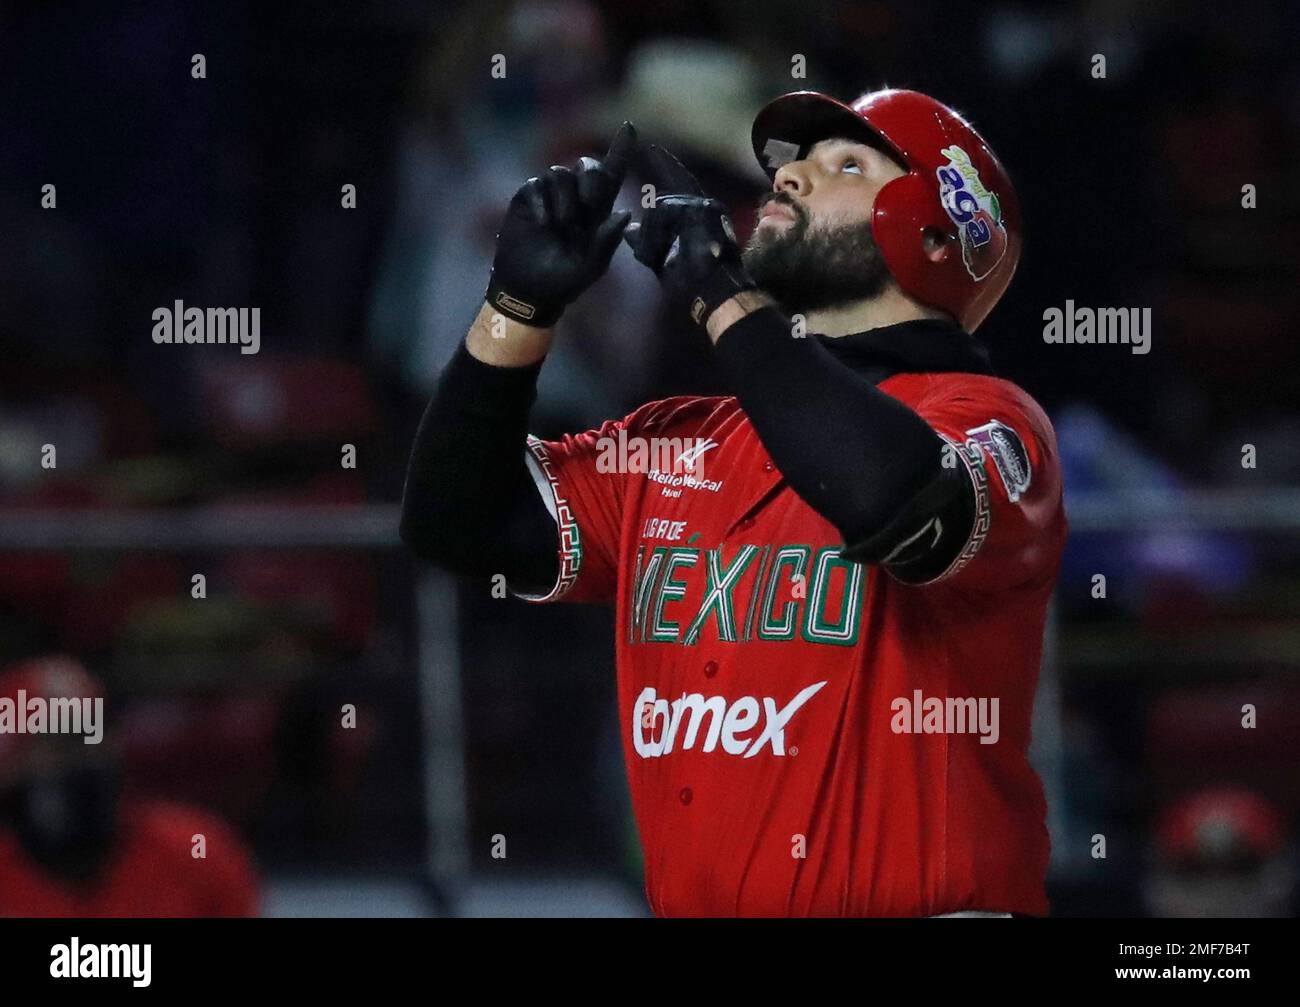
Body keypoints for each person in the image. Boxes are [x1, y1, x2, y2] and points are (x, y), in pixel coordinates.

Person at [401, 88, 1068, 916]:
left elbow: (893, 496)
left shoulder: (990, 419)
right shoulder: (680, 439)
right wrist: (516, 310)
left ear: (937, 236)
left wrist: (717, 290)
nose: (789, 181)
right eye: (793, 166)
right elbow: (453, 523)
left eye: (845, 166)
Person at [0, 656, 258, 917]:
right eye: (60, 743)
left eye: (95, 735)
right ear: (11, 767)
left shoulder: (196, 851)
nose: (84, 757)